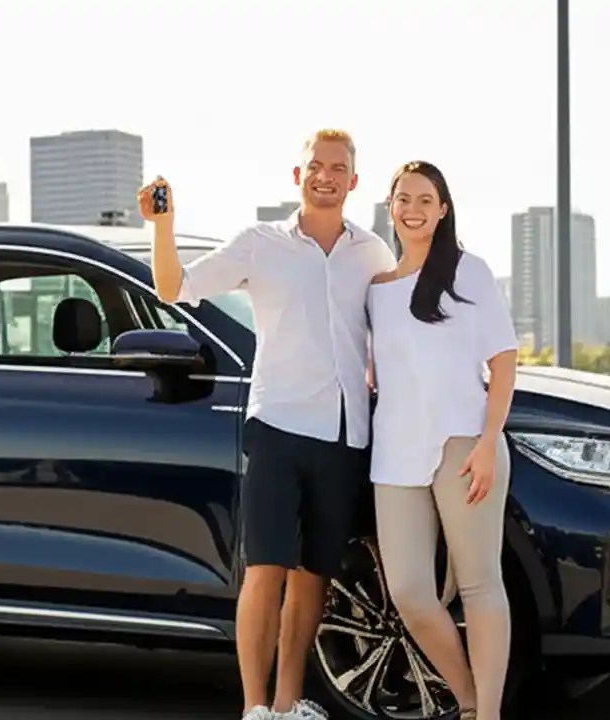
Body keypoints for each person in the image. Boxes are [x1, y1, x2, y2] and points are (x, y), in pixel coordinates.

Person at [137, 129, 397, 720]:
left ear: (354, 181)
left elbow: (397, 327)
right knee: (266, 569)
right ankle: (256, 708)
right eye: (316, 166)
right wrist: (163, 226)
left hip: (345, 435)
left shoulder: (372, 253)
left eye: (338, 168)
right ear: (297, 175)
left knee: (313, 577)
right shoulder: (260, 244)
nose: (326, 176)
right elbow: (173, 288)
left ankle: (289, 703)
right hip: (278, 426)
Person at [364, 160, 518, 720]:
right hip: (395, 452)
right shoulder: (376, 289)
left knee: (479, 584)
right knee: (408, 591)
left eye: (425, 199)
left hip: (464, 443)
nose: (413, 209)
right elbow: (377, 368)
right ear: (390, 207)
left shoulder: (467, 271)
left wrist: (488, 442)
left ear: (443, 209)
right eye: (403, 199)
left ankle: (487, 714)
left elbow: (504, 362)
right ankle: (468, 699)